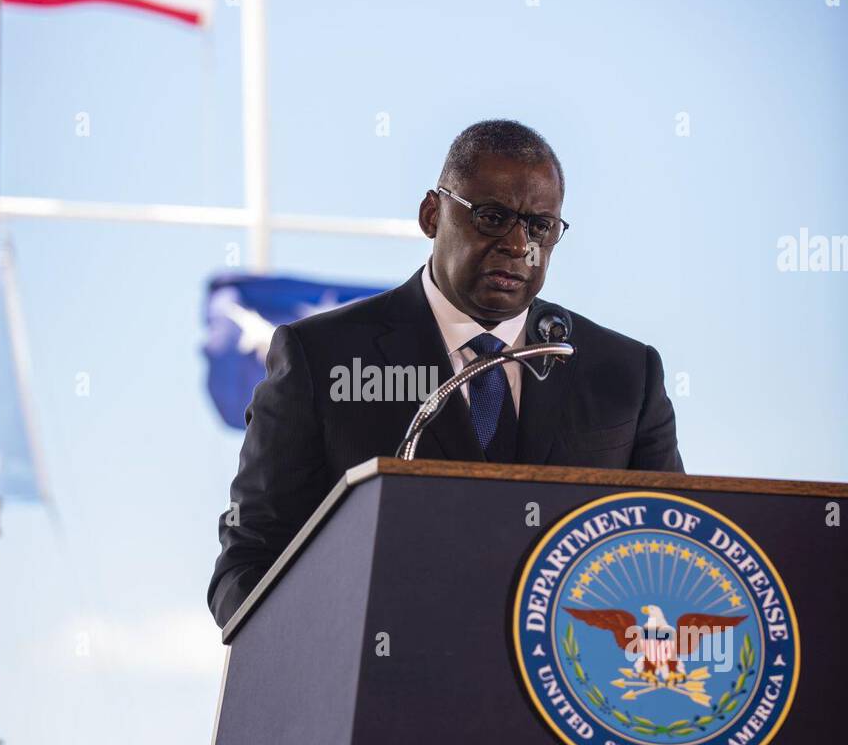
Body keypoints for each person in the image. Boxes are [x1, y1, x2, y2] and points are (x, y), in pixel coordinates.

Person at [208, 118, 683, 636]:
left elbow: (666, 558)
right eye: (493, 217)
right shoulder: (321, 359)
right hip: (385, 693)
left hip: (565, 693)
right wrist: (330, 659)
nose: (519, 245)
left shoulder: (623, 374)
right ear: (432, 214)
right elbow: (249, 562)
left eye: (540, 227)